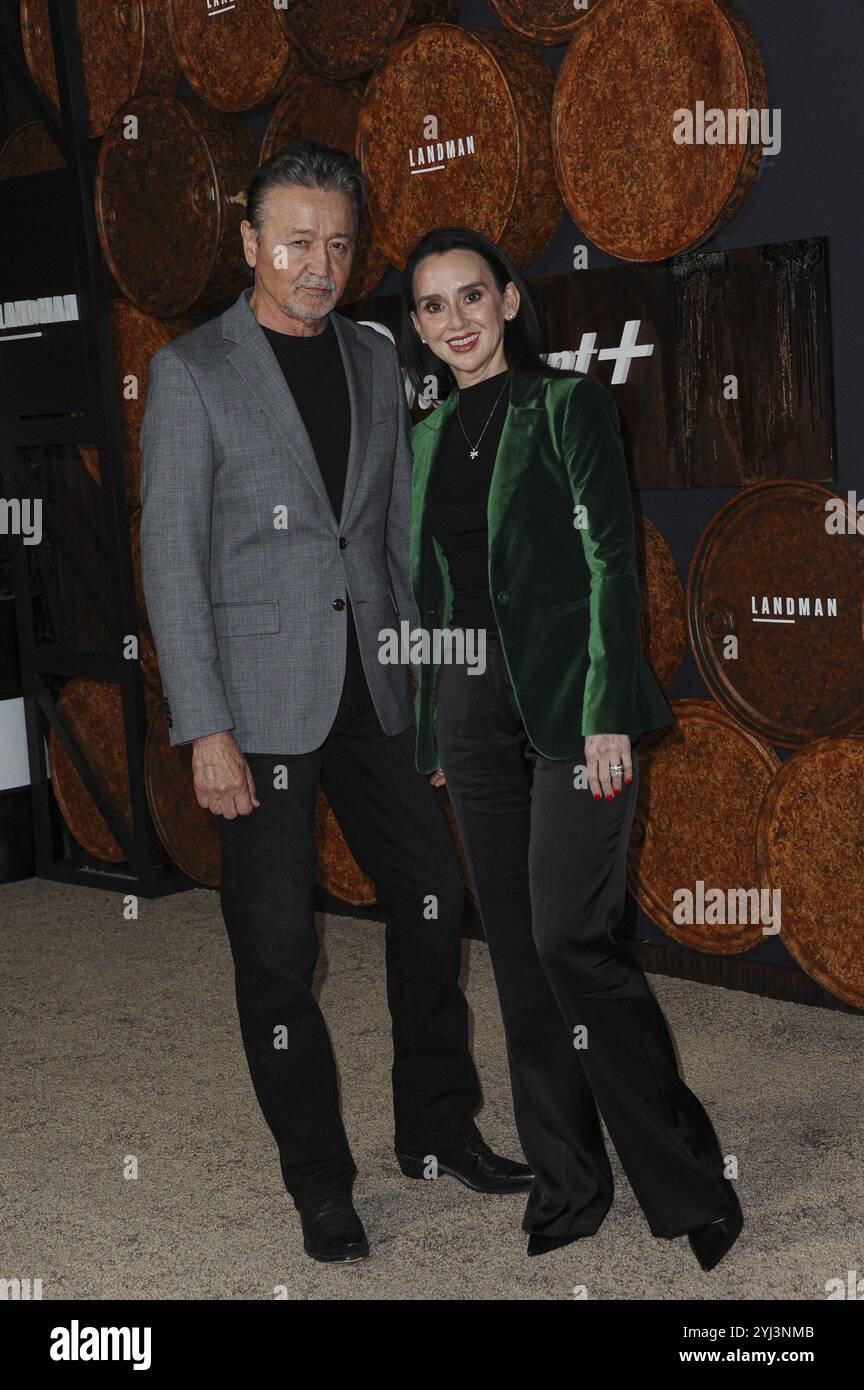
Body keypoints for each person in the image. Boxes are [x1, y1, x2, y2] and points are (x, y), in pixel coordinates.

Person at [139, 145, 532, 1266]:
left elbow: (399, 541)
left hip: (374, 687)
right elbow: (169, 561)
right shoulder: (191, 371)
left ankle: (439, 1130)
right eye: (298, 241)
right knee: (275, 952)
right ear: (252, 244)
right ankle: (320, 1179)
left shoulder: (371, 354)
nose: (322, 264)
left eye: (341, 244)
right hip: (254, 712)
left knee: (429, 895)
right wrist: (203, 727)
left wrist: (432, 690)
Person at [401, 225, 744, 1270]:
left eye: (471, 297)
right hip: (471, 712)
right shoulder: (424, 440)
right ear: (416, 326)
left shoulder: (568, 405)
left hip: (572, 707)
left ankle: (684, 1169)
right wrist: (434, 729)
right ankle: (568, 1179)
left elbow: (611, 565)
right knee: (513, 957)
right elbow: (434, 592)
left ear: (508, 300)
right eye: (431, 307)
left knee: (570, 942)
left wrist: (605, 711)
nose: (454, 321)